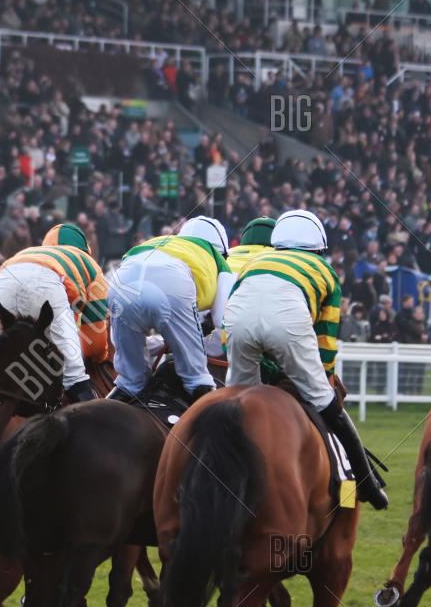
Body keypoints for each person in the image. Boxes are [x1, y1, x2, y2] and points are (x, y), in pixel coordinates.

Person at [223, 208, 388, 508]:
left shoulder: (257, 261)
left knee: (235, 404)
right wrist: (324, 378)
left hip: (237, 326)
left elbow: (231, 313)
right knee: (326, 403)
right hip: (288, 325)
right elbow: (326, 337)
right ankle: (366, 483)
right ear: (318, 247)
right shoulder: (323, 269)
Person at [108, 216, 232, 406]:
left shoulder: (160, 241)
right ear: (222, 252)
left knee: (130, 381)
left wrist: (152, 344)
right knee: (197, 379)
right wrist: (189, 348)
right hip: (173, 285)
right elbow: (222, 323)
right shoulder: (217, 260)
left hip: (120, 281)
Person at [0, 223, 109, 403]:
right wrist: (97, 356)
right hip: (45, 284)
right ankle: (93, 427)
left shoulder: (29, 252)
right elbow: (95, 342)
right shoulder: (88, 263)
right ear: (85, 248)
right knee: (74, 376)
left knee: (1, 369)